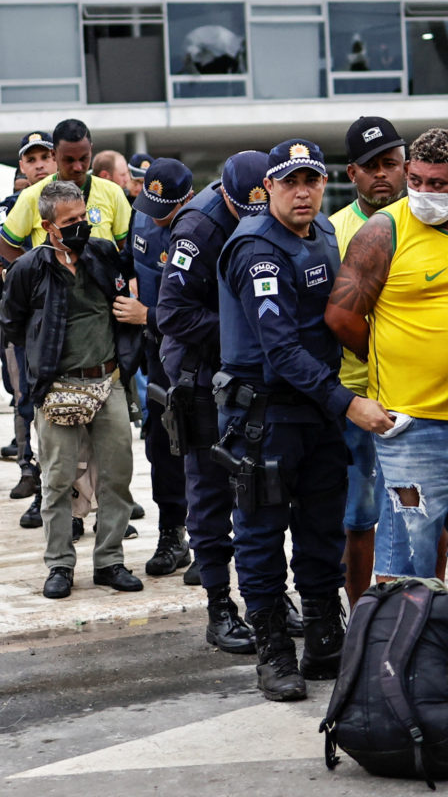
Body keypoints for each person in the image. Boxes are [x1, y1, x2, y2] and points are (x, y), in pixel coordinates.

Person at [326, 127, 448, 687]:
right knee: (407, 550)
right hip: (411, 423)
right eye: (415, 180)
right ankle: (406, 660)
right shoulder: (382, 231)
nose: (422, 192)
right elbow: (341, 317)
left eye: (437, 184)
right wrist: (399, 355)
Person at [217, 139, 393, 702]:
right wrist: (349, 402)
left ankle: (323, 639)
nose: (302, 192)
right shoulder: (256, 250)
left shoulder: (321, 235)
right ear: (268, 186)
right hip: (264, 418)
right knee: (262, 536)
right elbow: (281, 350)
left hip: (316, 413)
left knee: (322, 530)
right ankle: (274, 651)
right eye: (290, 182)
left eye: (311, 181)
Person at [0, 180, 144, 599]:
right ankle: (59, 564)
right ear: (48, 226)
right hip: (58, 388)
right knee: (58, 479)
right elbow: (12, 324)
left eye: (84, 218)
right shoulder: (29, 268)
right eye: (70, 222)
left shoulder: (102, 254)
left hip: (109, 381)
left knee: (117, 476)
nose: (81, 226)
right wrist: (38, 377)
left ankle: (110, 561)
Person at [155, 149, 269, 653]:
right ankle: (219, 604)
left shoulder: (271, 209)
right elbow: (171, 315)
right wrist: (245, 332)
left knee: (262, 490)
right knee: (210, 493)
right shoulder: (197, 230)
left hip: (251, 374)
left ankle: (267, 599)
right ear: (226, 194)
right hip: (200, 375)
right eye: (243, 212)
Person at [327, 116, 406, 602]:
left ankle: (417, 613)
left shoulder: (428, 220)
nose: (383, 175)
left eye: (391, 164)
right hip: (357, 395)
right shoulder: (331, 231)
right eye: (371, 166)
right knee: (359, 516)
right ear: (351, 173)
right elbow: (333, 316)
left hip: (421, 394)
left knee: (424, 514)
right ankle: (359, 616)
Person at [121, 158, 194, 579]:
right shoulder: (142, 218)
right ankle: (172, 534)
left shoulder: (205, 231)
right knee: (162, 446)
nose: (154, 214)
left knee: (204, 450)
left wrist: (146, 314)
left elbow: (205, 311)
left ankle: (211, 543)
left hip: (195, 356)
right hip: (156, 356)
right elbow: (130, 265)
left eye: (163, 207)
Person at [0, 131, 57, 521]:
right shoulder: (19, 203)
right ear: (21, 165)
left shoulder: (76, 195)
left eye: (44, 157)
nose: (38, 164)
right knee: (34, 401)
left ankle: (102, 498)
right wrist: (34, 270)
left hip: (81, 318)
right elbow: (5, 246)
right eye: (30, 159)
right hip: (37, 320)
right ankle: (38, 483)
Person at [0, 119, 131, 262]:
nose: (78, 167)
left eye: (83, 158)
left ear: (91, 150)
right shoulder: (32, 196)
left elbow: (127, 247)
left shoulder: (112, 192)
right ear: (54, 155)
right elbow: (5, 246)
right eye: (69, 160)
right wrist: (36, 273)